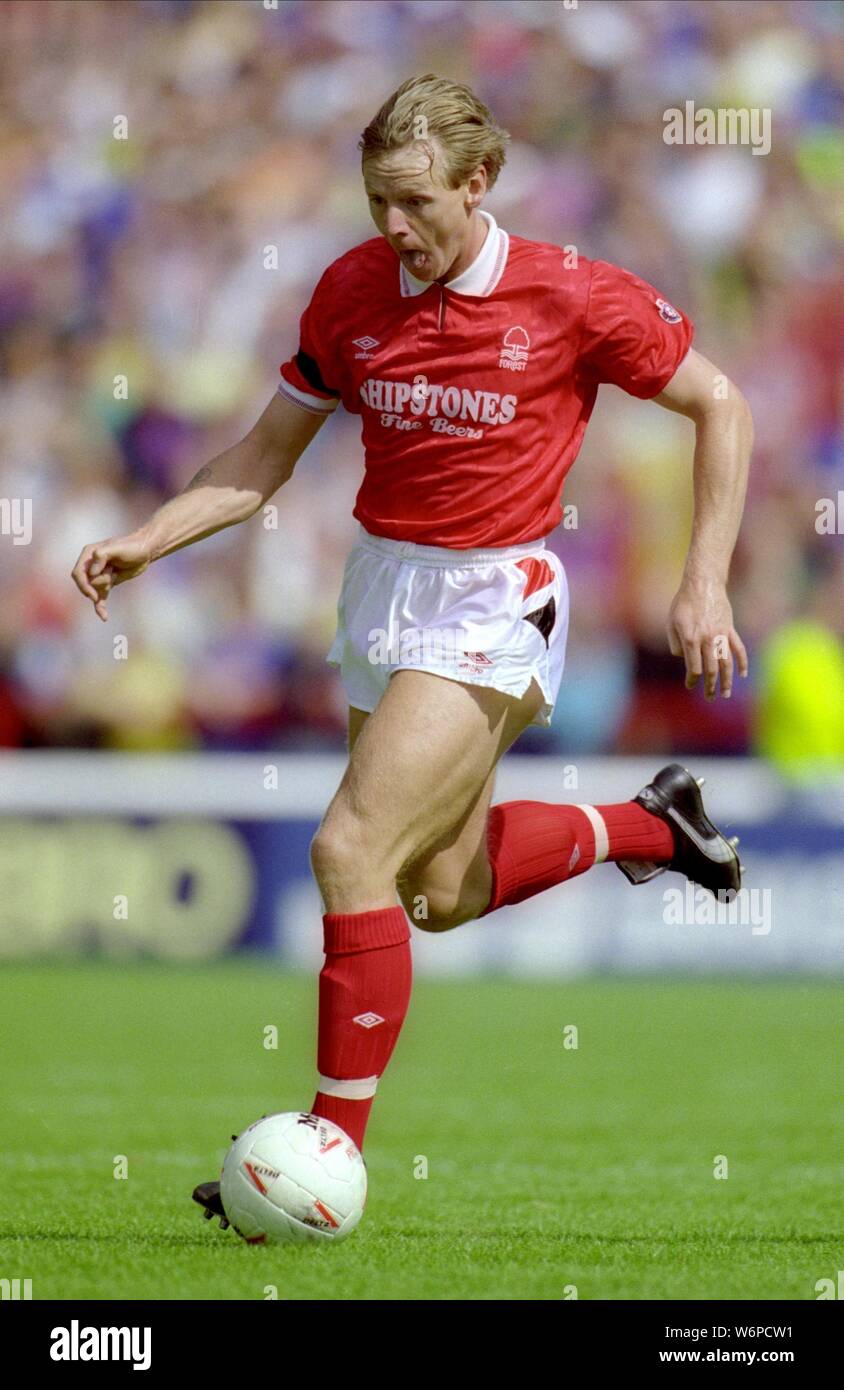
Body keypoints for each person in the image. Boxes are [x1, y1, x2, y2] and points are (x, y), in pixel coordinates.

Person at [71, 75, 751, 1232]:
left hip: (494, 599)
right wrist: (152, 536)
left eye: (414, 200)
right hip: (380, 591)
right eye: (376, 198)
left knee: (348, 849)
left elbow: (719, 402)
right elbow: (265, 450)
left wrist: (701, 580)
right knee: (435, 891)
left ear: (477, 184)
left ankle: (324, 1161)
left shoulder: (571, 293)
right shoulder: (350, 290)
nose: (392, 225)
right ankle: (653, 823)